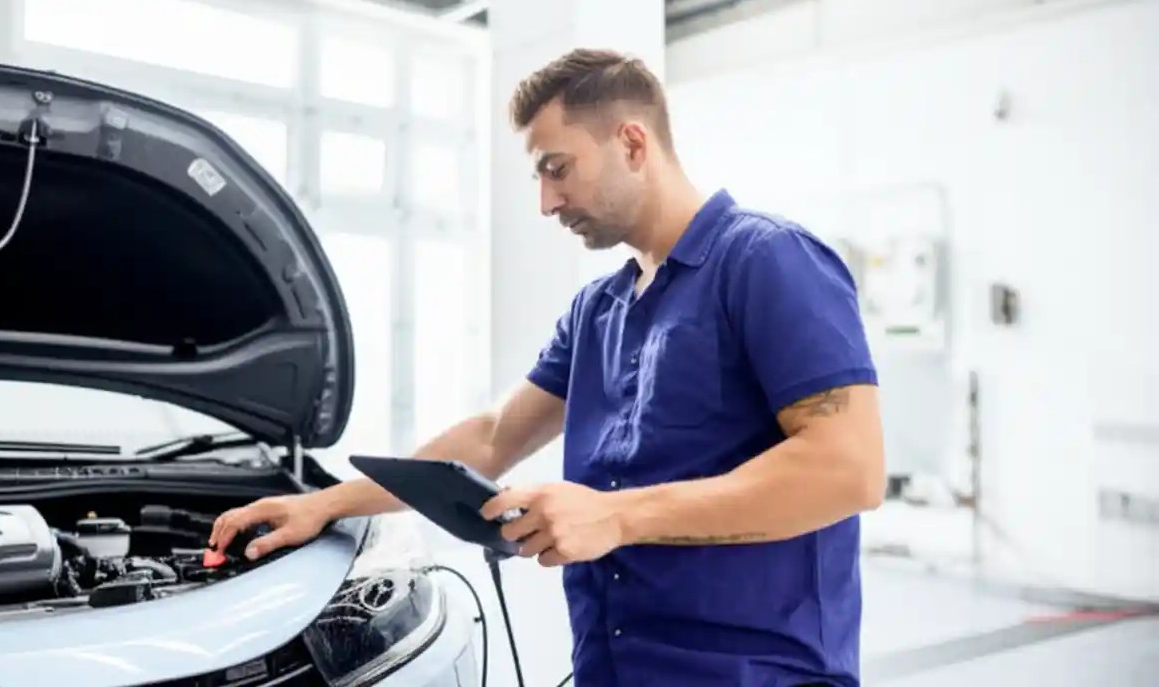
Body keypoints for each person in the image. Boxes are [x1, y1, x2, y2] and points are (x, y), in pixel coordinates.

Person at [208, 48, 885, 687]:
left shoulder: (768, 261)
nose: (546, 201)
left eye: (556, 167)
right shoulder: (600, 309)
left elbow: (846, 469)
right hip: (614, 664)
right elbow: (495, 435)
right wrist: (323, 505)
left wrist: (617, 517)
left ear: (632, 143)